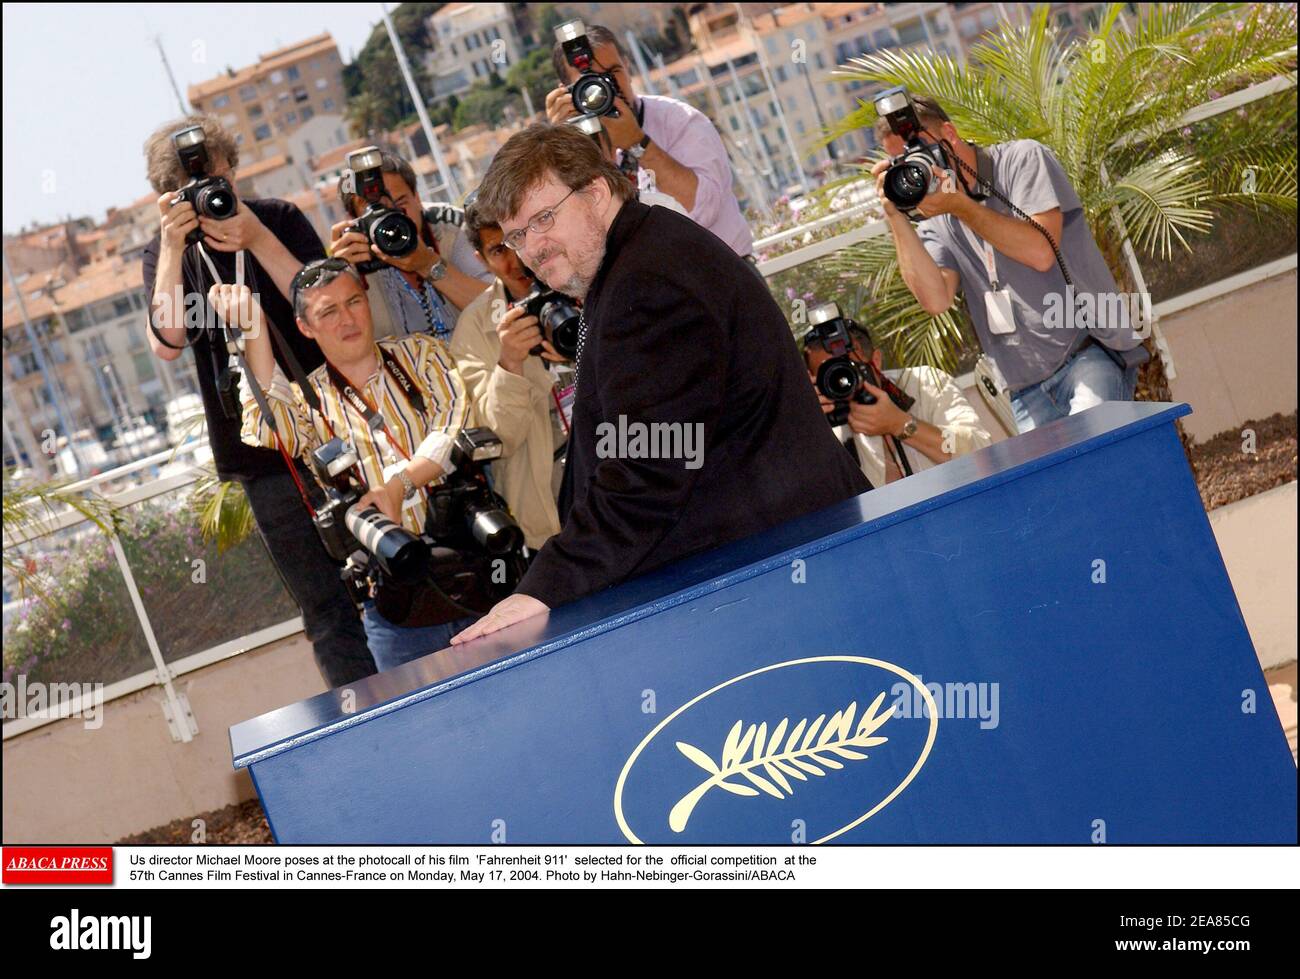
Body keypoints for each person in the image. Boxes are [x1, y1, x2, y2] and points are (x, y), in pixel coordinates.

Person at [450, 124, 868, 645]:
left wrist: (543, 591)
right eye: (516, 235)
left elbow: (647, 470)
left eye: (544, 218)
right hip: (778, 568)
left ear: (597, 195)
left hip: (775, 582)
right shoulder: (641, 256)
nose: (531, 248)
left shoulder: (647, 285)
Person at [141, 114, 374, 688]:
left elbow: (326, 300)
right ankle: (368, 719)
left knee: (388, 561)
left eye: (219, 179)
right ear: (167, 198)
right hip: (260, 450)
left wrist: (256, 239)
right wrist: (173, 245)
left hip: (336, 421)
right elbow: (168, 340)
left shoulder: (276, 219)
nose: (212, 194)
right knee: (325, 607)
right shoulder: (168, 253)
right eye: (194, 190)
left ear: (233, 173)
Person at [214, 258, 476, 671]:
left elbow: (455, 424)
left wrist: (400, 484)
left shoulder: (421, 353)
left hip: (471, 567)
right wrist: (254, 328)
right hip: (395, 602)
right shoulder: (309, 402)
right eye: (328, 312)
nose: (347, 319)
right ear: (305, 327)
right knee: (416, 729)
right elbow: (272, 429)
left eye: (354, 302)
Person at [872, 94, 1144, 433]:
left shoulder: (1022, 160)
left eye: (917, 153)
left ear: (949, 134)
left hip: (1087, 352)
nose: (913, 168)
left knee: (1094, 458)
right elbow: (935, 299)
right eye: (900, 162)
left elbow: (1041, 252)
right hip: (1025, 389)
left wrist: (961, 206)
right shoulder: (934, 211)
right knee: (1064, 487)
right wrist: (895, 216)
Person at [545, 24, 754, 259]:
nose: (605, 88)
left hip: (724, 277)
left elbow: (703, 209)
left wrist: (638, 143)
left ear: (628, 67)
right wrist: (564, 146)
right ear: (568, 92)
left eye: (613, 73)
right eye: (589, 82)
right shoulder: (574, 150)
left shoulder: (680, 120)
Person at [452, 207, 567, 551]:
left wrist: (582, 348)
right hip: (548, 516)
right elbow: (497, 440)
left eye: (518, 239)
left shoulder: (582, 283)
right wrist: (509, 363)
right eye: (498, 250)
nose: (515, 260)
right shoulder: (474, 328)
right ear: (481, 259)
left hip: (623, 478)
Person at [803, 321, 992, 488]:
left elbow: (980, 450)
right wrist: (813, 427)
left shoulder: (923, 384)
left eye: (847, 368)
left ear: (875, 360)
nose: (842, 380)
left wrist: (901, 424)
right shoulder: (819, 425)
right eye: (829, 375)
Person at [331, 151, 493, 343]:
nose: (392, 220)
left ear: (417, 198)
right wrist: (341, 282)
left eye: (399, 204)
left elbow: (498, 310)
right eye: (375, 213)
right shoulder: (355, 261)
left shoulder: (452, 228)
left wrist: (429, 265)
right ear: (354, 221)